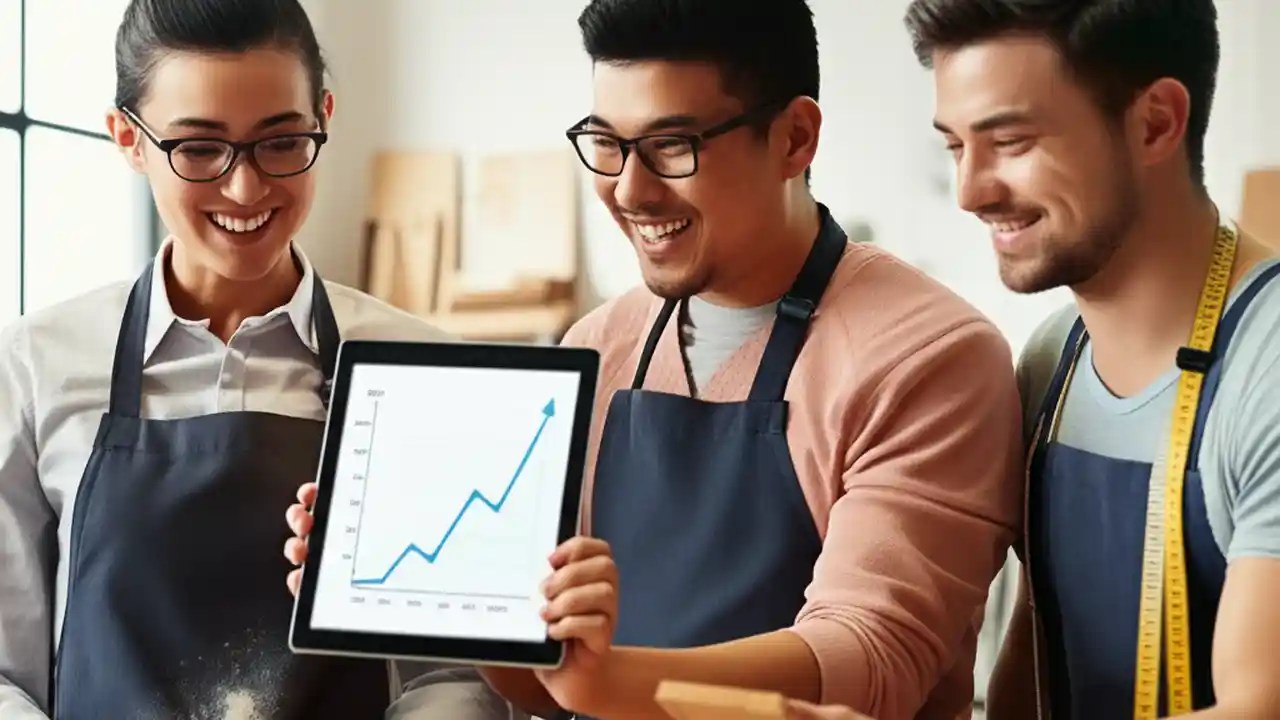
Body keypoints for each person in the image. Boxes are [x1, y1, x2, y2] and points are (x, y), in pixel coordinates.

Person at [282, 1, 1025, 718]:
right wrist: (440, 598)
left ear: (796, 137)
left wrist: (613, 682)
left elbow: (866, 664)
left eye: (673, 146)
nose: (629, 191)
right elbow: (548, 684)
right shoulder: (598, 348)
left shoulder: (929, 358)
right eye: (608, 143)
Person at [0, 1, 518, 718]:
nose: (246, 189)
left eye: (280, 142)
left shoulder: (419, 366)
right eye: (200, 149)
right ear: (127, 138)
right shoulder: (33, 366)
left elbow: (454, 678)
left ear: (324, 116)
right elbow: (6, 676)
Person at [904, 0, 1280, 718]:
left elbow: (1257, 707)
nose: (970, 192)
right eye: (956, 147)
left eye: (1009, 142)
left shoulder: (1268, 365)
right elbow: (1036, 655)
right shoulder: (1052, 360)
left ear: (1156, 123)